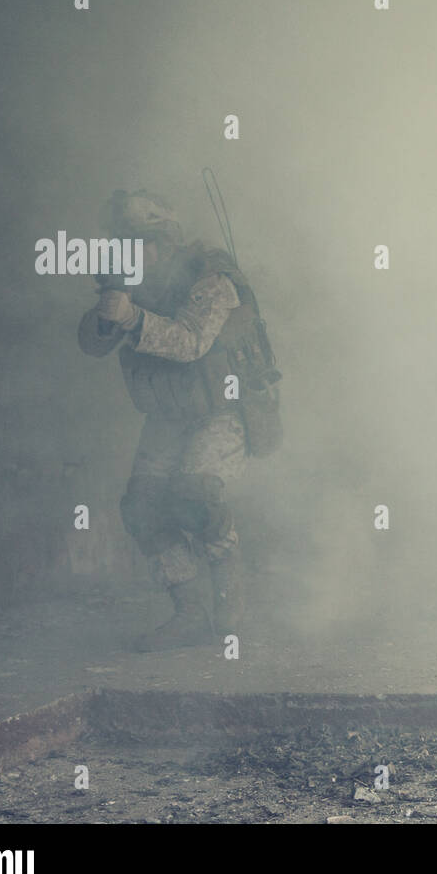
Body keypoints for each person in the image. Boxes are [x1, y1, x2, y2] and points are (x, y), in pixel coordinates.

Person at [78, 190, 264, 651]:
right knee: (141, 507)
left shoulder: (211, 278)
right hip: (167, 415)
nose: (133, 252)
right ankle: (189, 612)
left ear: (166, 241)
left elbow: (190, 341)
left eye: (141, 241)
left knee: (195, 494)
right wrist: (107, 318)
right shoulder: (133, 280)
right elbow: (91, 343)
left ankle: (230, 606)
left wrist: (132, 318)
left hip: (220, 409)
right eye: (125, 242)